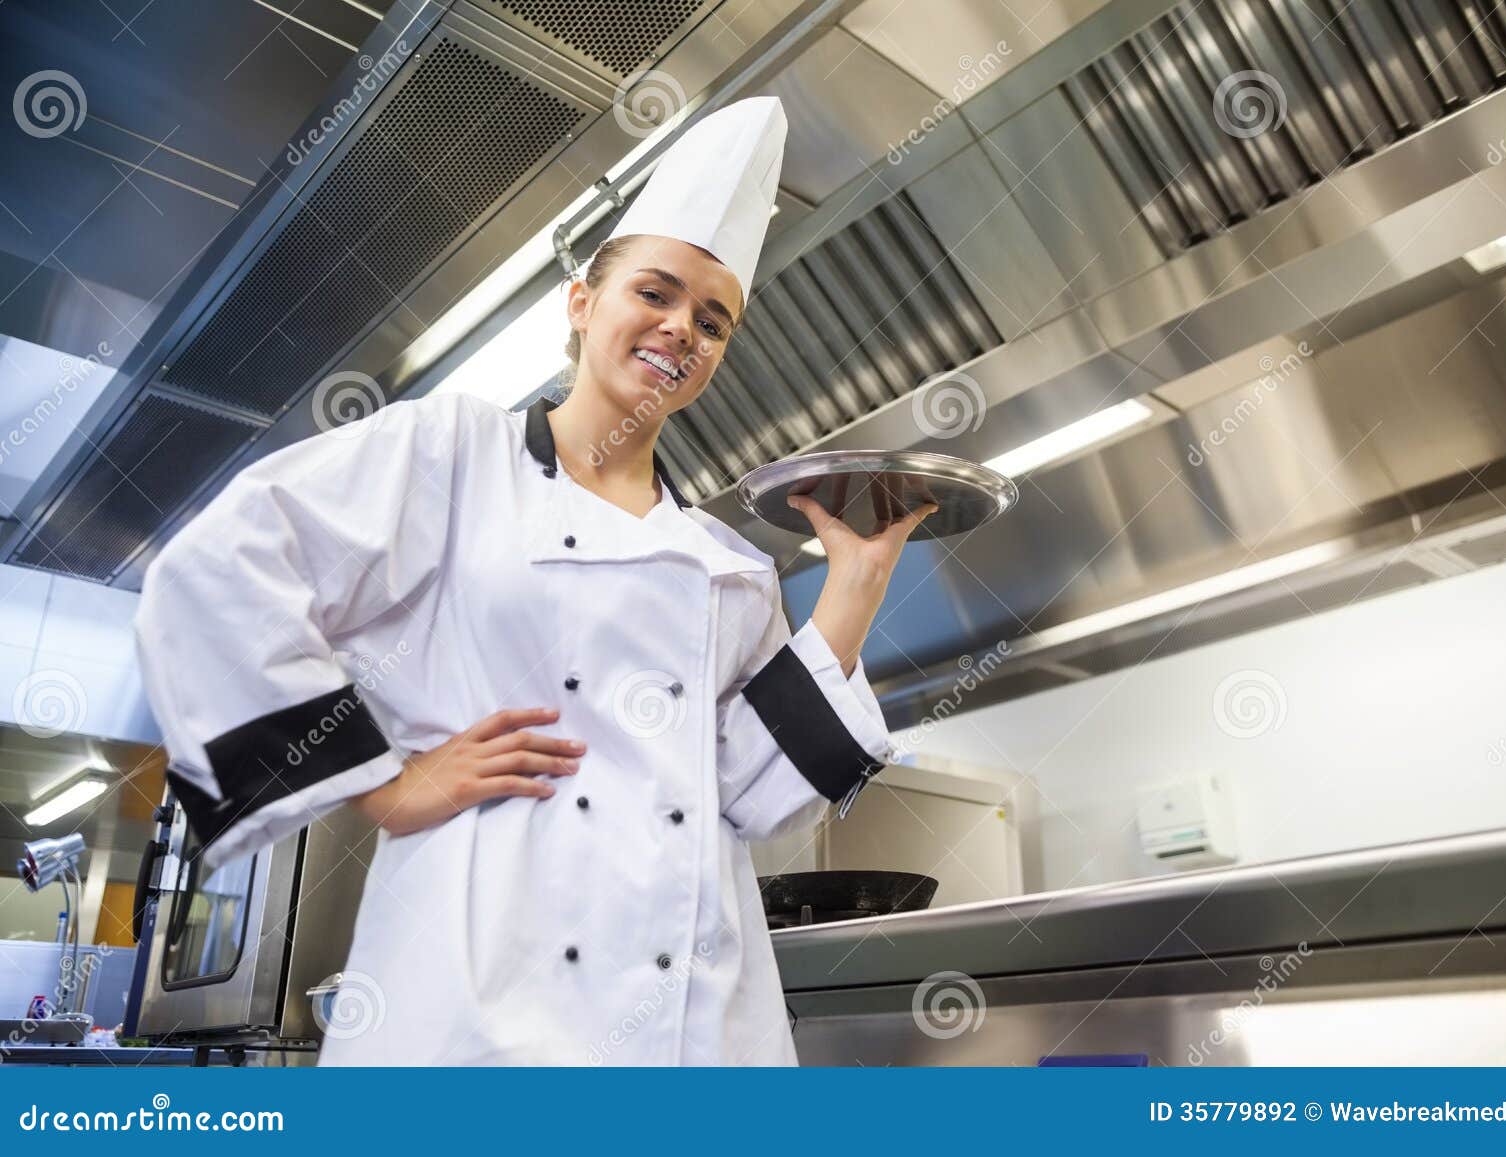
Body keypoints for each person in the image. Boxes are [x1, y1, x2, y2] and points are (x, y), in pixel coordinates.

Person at [132, 96, 935, 1066]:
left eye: (713, 321)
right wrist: (386, 783)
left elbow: (745, 797)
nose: (682, 328)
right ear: (582, 302)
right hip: (482, 1006)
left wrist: (852, 589)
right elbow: (219, 569)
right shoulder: (451, 456)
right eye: (656, 292)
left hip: (696, 1026)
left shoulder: (731, 565)